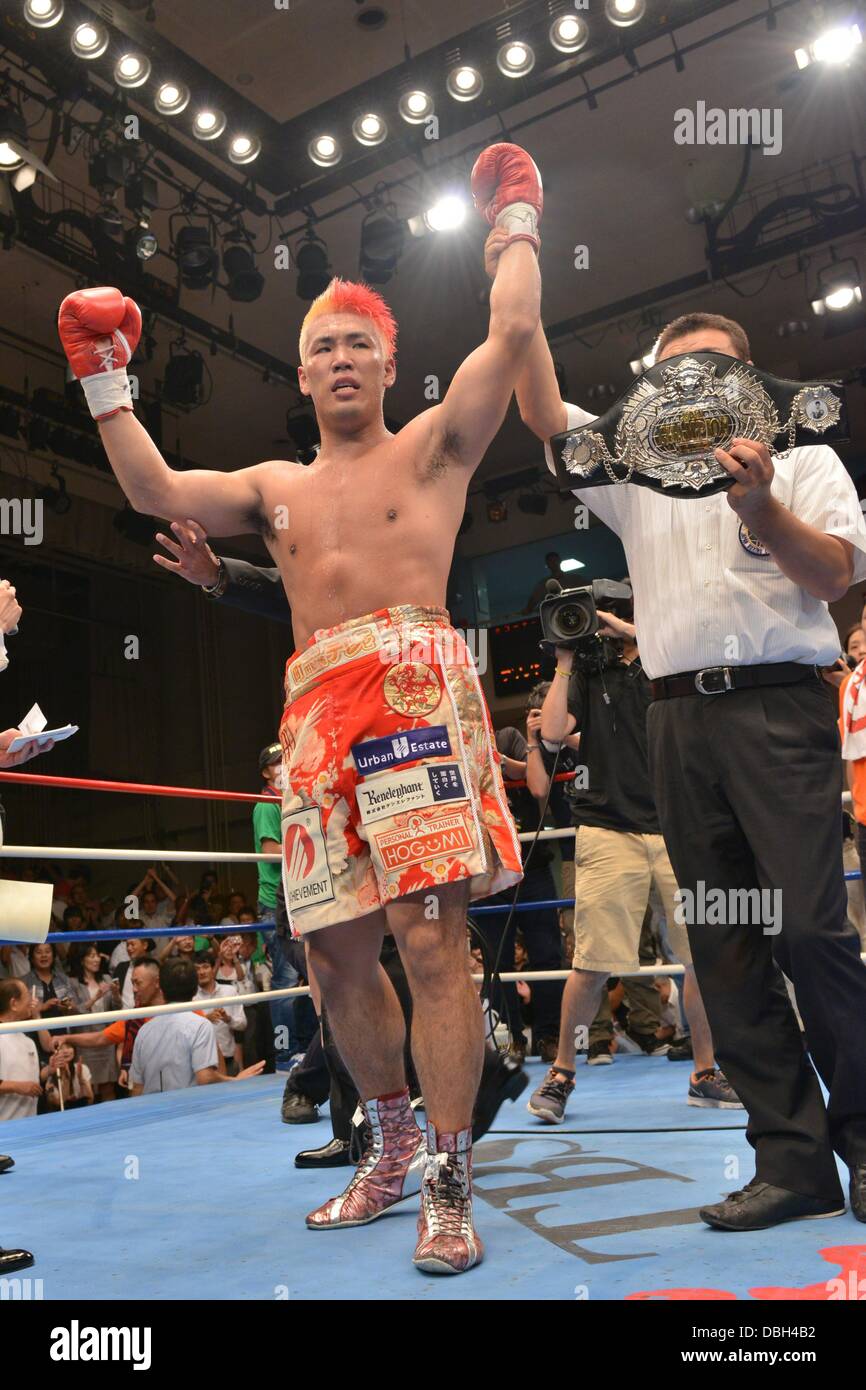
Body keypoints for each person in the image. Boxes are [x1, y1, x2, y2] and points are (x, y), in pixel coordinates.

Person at [59, 141, 543, 1274]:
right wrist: (102, 372)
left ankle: (449, 1175)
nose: (340, 357)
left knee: (433, 943)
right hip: (315, 708)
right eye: (322, 344)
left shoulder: (433, 449)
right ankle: (388, 1142)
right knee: (330, 955)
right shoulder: (275, 488)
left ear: (389, 365)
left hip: (413, 687)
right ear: (301, 373)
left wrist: (517, 218)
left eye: (358, 342)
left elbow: (513, 333)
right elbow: (151, 488)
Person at [512, 284, 866, 1228]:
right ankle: (792, 1163)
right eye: (674, 376)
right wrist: (518, 260)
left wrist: (763, 507)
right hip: (676, 724)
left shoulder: (807, 458)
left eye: (712, 372)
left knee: (810, 931)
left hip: (779, 711)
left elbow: (836, 574)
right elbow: (542, 408)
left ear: (748, 379)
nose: (693, 391)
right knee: (724, 943)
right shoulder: (632, 472)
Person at [526, 603, 739, 1120]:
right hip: (607, 827)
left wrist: (635, 634)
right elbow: (551, 733)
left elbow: (699, 678)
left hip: (677, 826)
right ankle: (562, 1072)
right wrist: (564, 659)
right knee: (592, 962)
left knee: (701, 956)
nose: (602, 628)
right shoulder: (586, 673)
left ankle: (705, 1071)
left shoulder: (665, 662)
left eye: (609, 619)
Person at [129, 959, 265, 1094]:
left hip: (153, 1106)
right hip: (188, 1105)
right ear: (195, 990)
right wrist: (235, 1080)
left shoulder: (144, 1030)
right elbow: (205, 1077)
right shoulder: (200, 1025)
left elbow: (137, 1088)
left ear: (161, 988)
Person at [253, 742, 301, 1069]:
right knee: (284, 979)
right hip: (275, 901)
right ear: (265, 773)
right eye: (276, 763)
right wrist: (311, 847)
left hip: (297, 897)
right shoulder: (266, 803)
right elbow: (271, 852)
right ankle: (285, 1054)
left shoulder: (291, 799)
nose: (283, 766)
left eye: (285, 759)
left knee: (303, 977)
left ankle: (304, 1047)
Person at [193, 949, 246, 1074]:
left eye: (205, 967)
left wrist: (228, 1019)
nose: (201, 972)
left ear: (213, 968)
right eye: (197, 969)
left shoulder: (230, 991)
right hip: (201, 1063)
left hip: (228, 1059)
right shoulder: (191, 997)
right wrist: (205, 1019)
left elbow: (242, 1024)